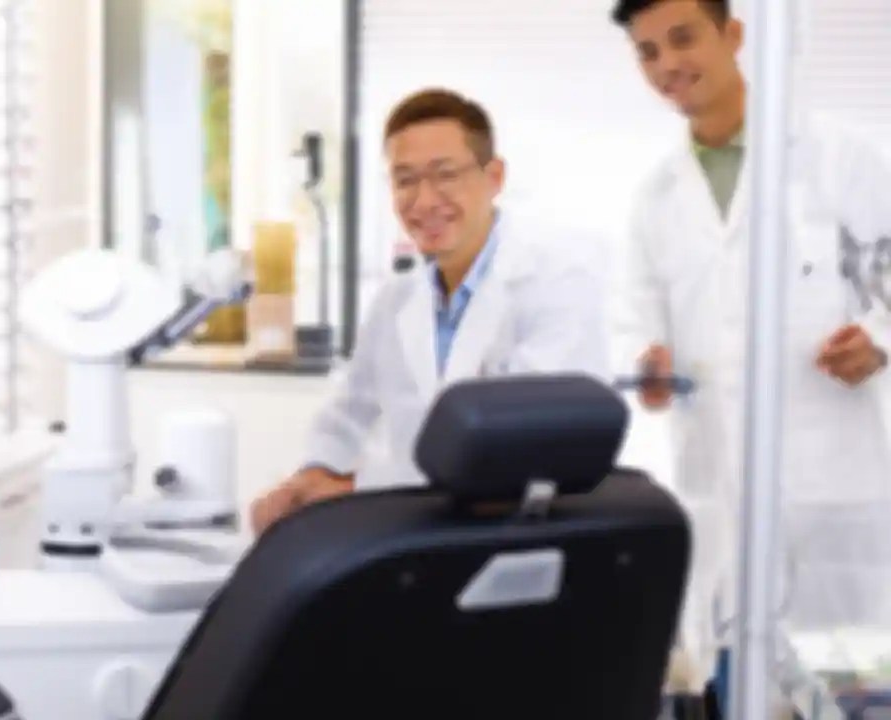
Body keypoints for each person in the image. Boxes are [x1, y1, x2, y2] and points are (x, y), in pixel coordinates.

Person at [611, 0, 891, 696]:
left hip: (828, 485)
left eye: (683, 39)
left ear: (734, 35)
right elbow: (636, 320)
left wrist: (881, 341)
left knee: (845, 689)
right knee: (732, 686)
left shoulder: (839, 157)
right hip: (717, 489)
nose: (667, 64)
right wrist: (648, 364)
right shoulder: (654, 196)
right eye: (648, 52)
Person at [250, 89, 611, 535]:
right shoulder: (394, 302)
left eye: (445, 175)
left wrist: (352, 488)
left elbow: (510, 451)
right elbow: (347, 414)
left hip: (524, 536)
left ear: (494, 177)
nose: (423, 202)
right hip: (416, 537)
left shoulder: (558, 285)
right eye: (405, 180)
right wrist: (308, 479)